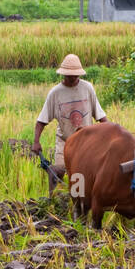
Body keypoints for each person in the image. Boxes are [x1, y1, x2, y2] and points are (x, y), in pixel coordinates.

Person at [32, 53, 107, 193]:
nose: (73, 78)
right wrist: (36, 141)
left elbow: (100, 115)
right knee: (58, 172)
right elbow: (41, 121)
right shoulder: (55, 93)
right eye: (69, 76)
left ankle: (80, 205)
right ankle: (54, 201)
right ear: (63, 74)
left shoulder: (87, 88)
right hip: (65, 142)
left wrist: (110, 133)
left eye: (75, 76)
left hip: (87, 144)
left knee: (84, 176)